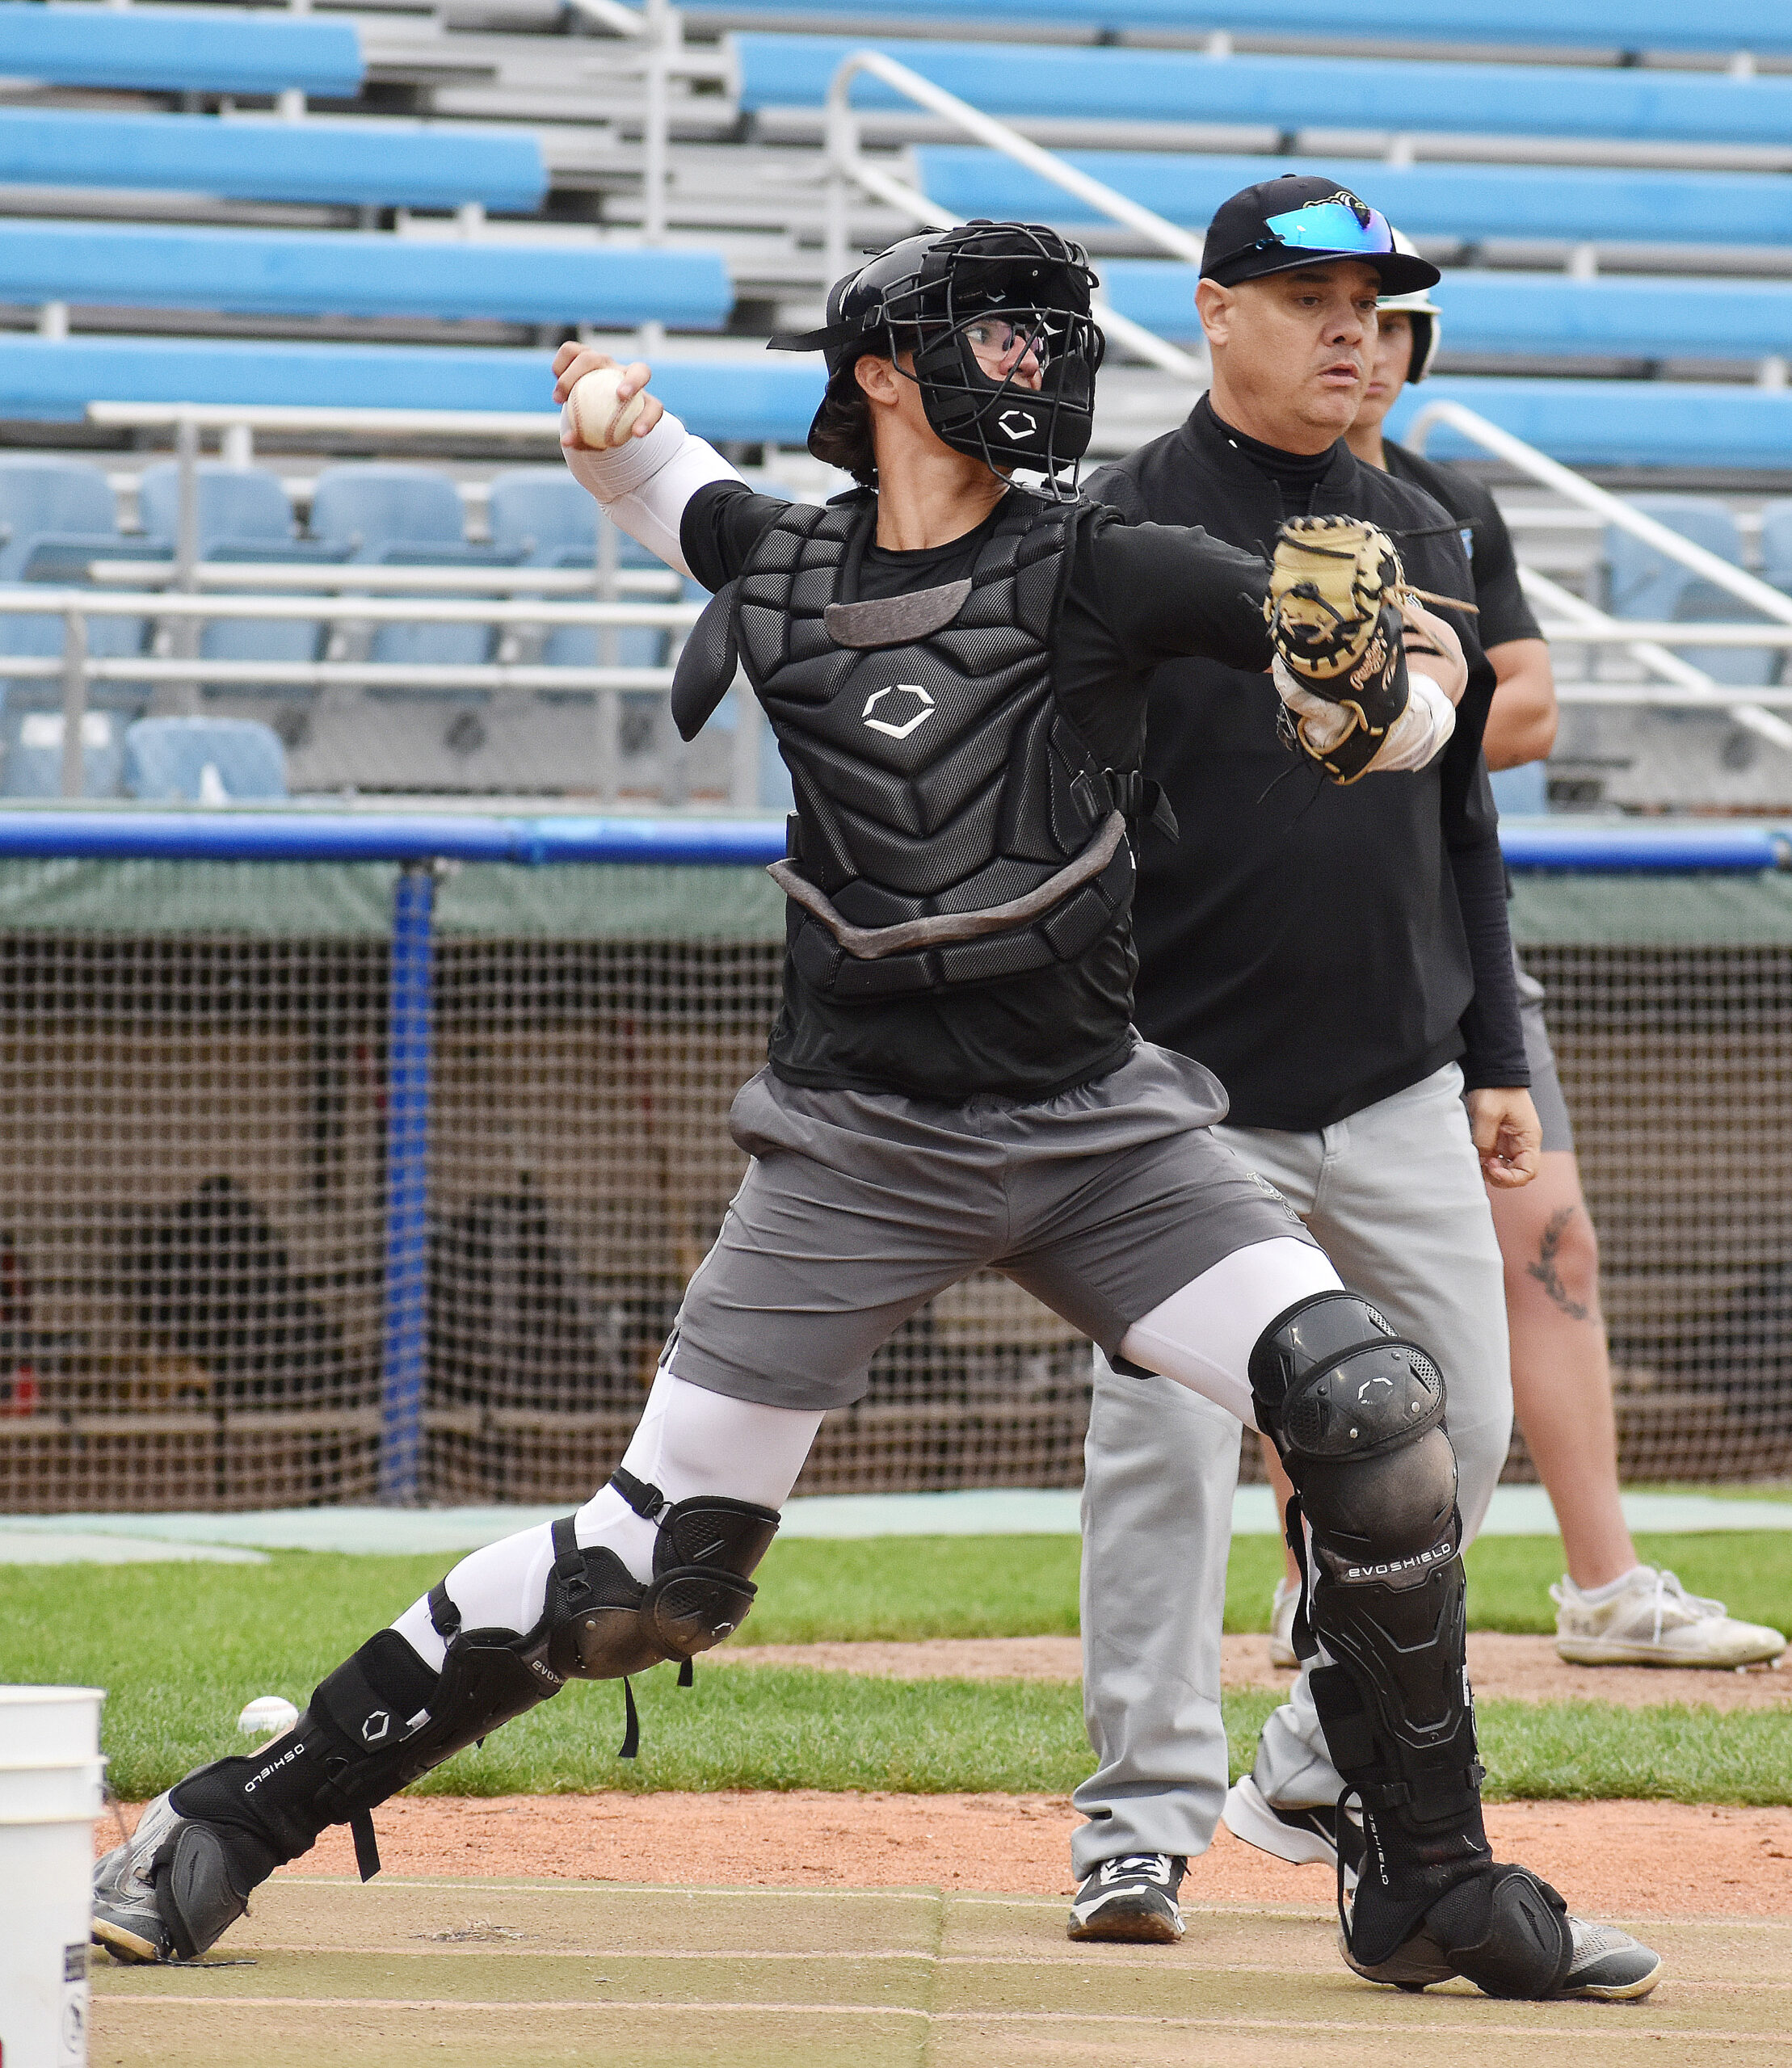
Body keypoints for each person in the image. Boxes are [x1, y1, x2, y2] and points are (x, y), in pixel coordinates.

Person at [90, 219, 1653, 2003]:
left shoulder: (1104, 562)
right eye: (1000, 332)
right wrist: (597, 411)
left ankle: (1427, 1882)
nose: (1040, 360)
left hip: (1099, 1130)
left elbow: (1392, 711)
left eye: (1055, 330)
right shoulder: (778, 555)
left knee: (1372, 1415)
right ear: (885, 372)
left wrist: (1389, 688)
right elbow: (650, 477)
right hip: (855, 1143)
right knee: (653, 1572)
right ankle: (225, 1820)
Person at [1066, 172, 1554, 1943]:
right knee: (1167, 1455)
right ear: (1213, 312)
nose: (1352, 327)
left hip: (1400, 1070)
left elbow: (1463, 813)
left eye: (1375, 299)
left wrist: (1492, 1044)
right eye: (1308, 296)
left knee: (1462, 1432)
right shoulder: (1116, 523)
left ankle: (1309, 1747)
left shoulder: (1428, 519)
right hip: (1177, 1092)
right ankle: (1134, 1820)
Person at [1331, 256, 1784, 1672]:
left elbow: (1530, 714)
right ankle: (1326, 1605)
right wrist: (1441, 693)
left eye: (1399, 325)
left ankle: (1605, 1586)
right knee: (1304, 1302)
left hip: (1445, 924)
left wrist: (1394, 698)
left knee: (1550, 1238)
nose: (1378, 350)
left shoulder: (1448, 505)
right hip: (1258, 943)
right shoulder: (1210, 502)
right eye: (1351, 321)